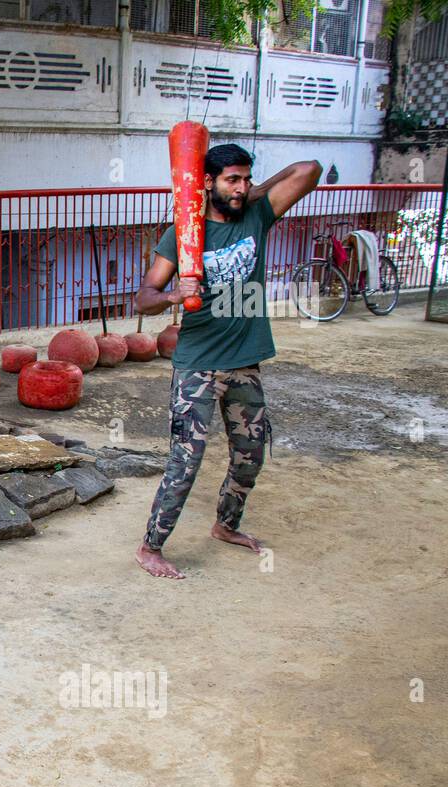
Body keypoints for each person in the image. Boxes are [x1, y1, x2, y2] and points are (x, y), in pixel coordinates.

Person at [133, 145, 322, 579]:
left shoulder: (257, 215)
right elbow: (144, 298)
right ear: (206, 183)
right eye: (231, 180)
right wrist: (172, 296)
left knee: (250, 456)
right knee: (186, 459)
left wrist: (257, 193)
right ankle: (150, 547)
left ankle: (226, 525)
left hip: (244, 364)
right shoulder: (184, 232)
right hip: (198, 365)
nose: (240, 187)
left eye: (245, 178)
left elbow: (308, 170)